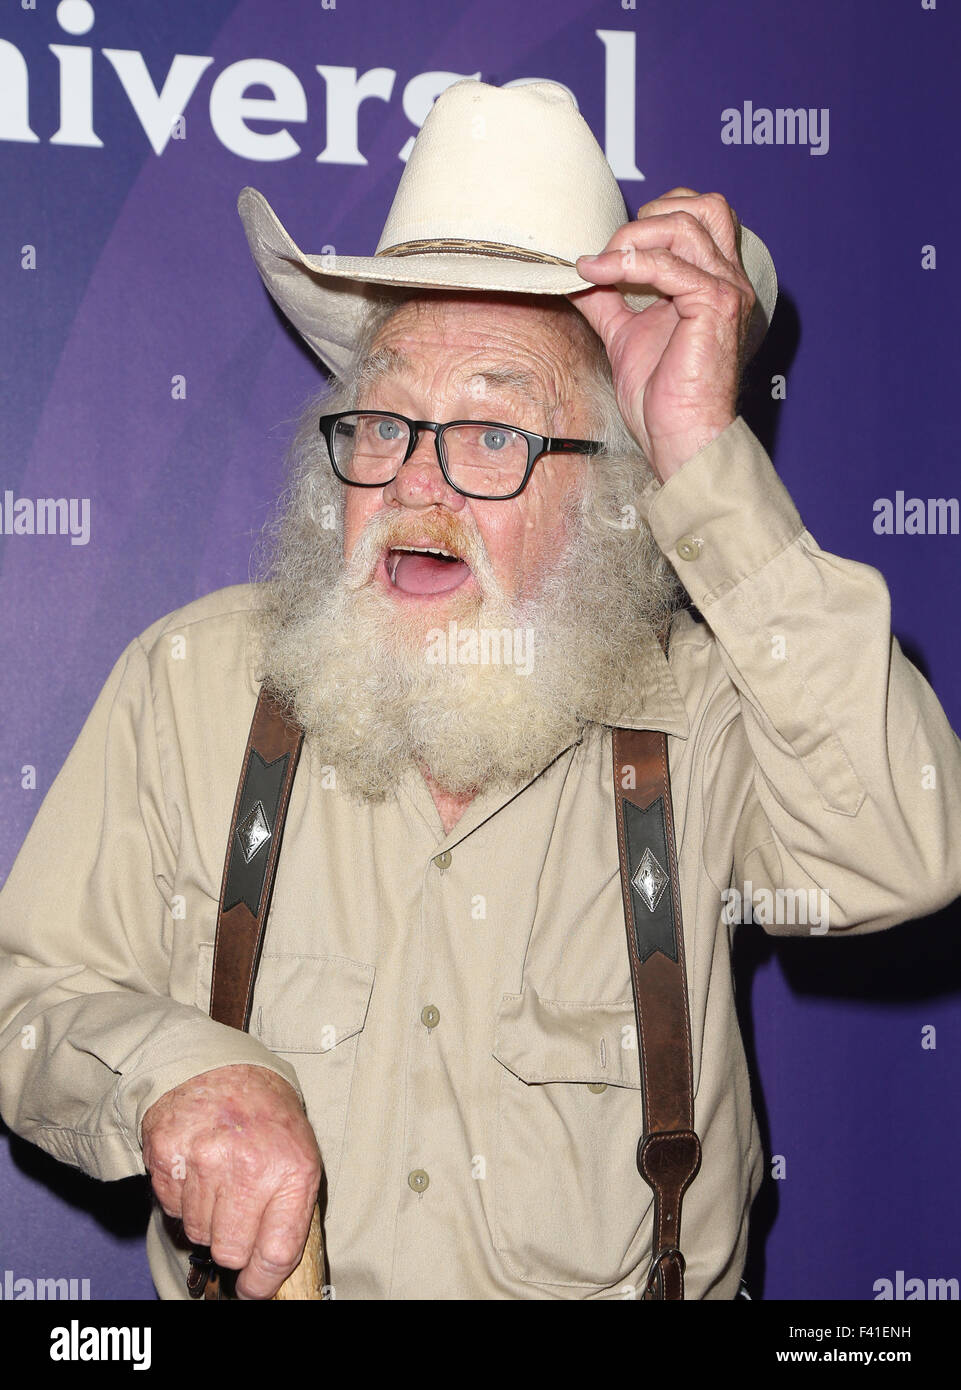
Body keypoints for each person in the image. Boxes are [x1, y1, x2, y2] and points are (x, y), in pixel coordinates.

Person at [0, 79, 959, 1302]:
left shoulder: (707, 710)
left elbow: (903, 851)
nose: (415, 482)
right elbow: (32, 1001)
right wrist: (174, 1069)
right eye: (385, 418)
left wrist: (705, 463)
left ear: (612, 489)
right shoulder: (193, 684)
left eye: (495, 435)